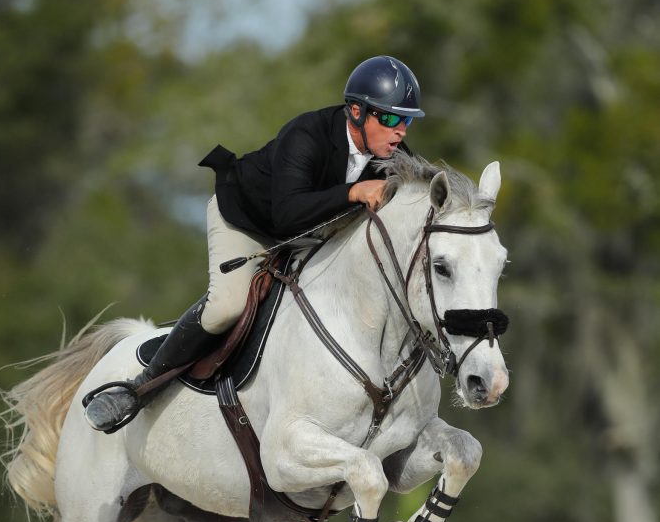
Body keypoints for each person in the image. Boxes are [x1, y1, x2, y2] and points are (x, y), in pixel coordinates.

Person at [84, 55, 425, 433]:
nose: (401, 131)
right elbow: (288, 214)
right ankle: (138, 388)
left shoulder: (395, 158)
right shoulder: (307, 134)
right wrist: (355, 191)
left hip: (308, 235)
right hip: (249, 220)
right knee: (226, 307)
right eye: (391, 118)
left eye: (407, 120)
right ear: (357, 112)